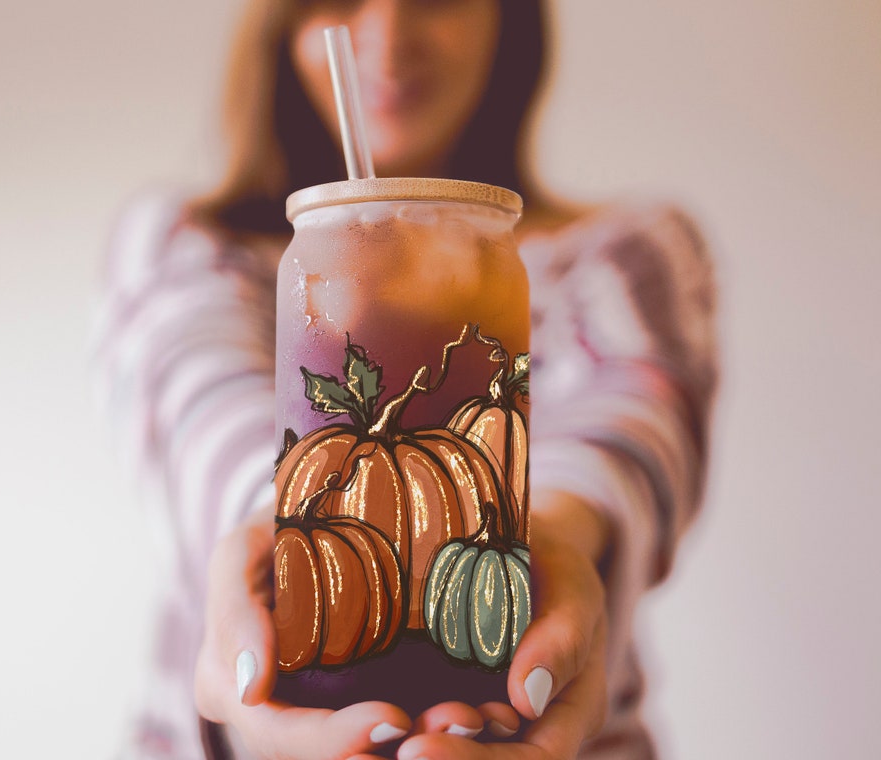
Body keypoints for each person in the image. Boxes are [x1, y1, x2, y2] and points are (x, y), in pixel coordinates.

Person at [93, 0, 718, 757]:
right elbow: (196, 408)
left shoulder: (625, 251)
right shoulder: (179, 244)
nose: (388, 44)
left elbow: (633, 423)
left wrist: (555, 536)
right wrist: (285, 547)